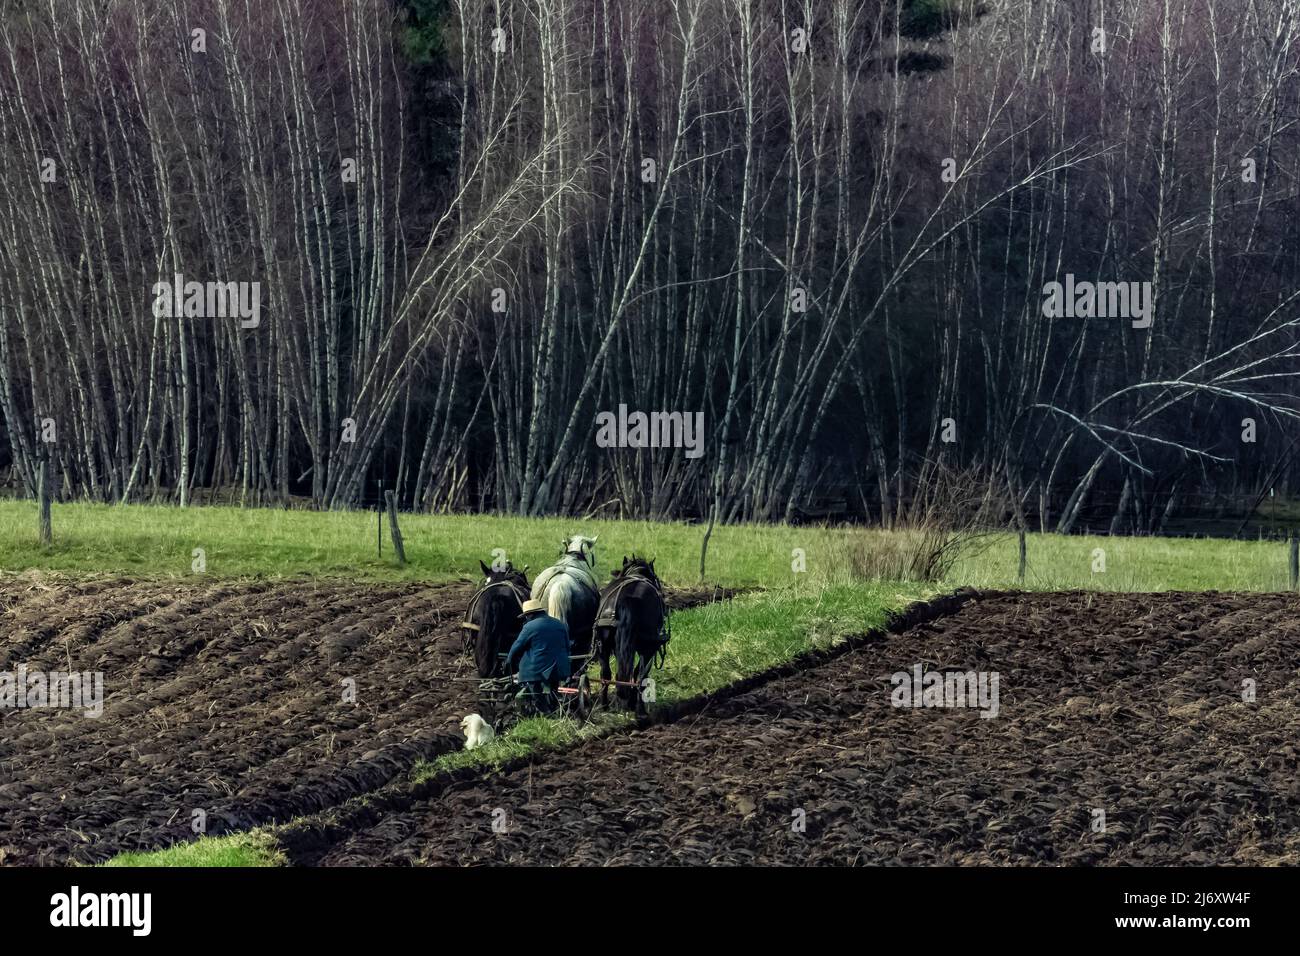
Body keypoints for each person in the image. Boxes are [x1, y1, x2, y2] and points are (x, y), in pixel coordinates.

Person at [506, 598, 572, 715]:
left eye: (526, 616)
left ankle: (542, 709)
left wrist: (508, 660)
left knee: (533, 684)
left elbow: (517, 646)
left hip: (537, 670)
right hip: (560, 667)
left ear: (530, 614)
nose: (526, 618)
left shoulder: (530, 626)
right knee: (553, 685)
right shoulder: (559, 624)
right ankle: (554, 704)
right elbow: (567, 646)